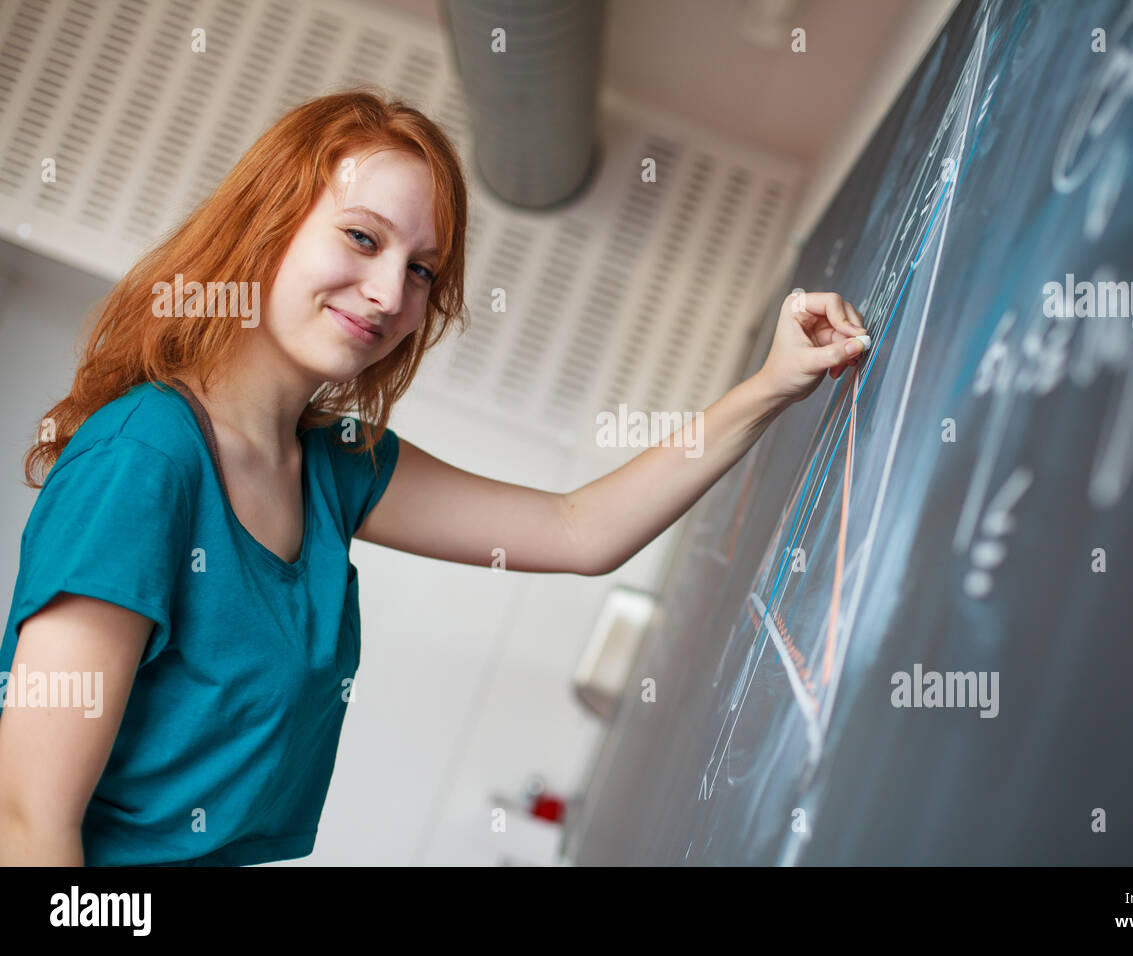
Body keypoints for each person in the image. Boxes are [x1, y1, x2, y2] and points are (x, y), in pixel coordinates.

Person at [0, 88, 868, 866]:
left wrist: (772, 383)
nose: (388, 293)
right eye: (362, 237)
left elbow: (578, 529)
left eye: (420, 269)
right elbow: (28, 827)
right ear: (264, 226)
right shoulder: (143, 458)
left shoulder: (335, 464)